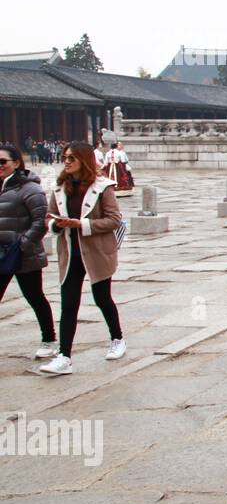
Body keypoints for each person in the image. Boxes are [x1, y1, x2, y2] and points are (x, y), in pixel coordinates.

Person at [39, 142, 124, 374]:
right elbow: (48, 217)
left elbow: (113, 219)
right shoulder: (59, 188)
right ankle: (64, 356)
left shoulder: (102, 187)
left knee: (102, 297)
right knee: (68, 304)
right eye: (65, 158)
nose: (66, 162)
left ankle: (117, 337)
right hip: (70, 252)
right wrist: (56, 224)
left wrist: (82, 224)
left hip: (96, 251)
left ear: (83, 161)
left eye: (71, 158)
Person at [0, 143, 56, 358]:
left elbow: (41, 221)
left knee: (34, 296)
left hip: (24, 254)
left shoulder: (30, 188)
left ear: (16, 163)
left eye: (3, 161)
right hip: (1, 252)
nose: (0, 166)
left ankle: (49, 339)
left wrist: (23, 245)